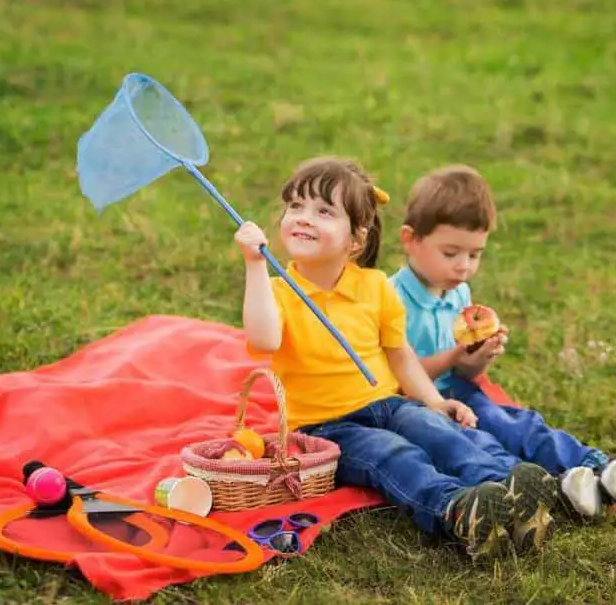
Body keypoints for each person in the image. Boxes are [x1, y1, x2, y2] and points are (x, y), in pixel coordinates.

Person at [234, 157, 560, 558]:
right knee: (392, 453)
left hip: (387, 403)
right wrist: (254, 266)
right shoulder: (278, 291)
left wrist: (435, 401)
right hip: (327, 427)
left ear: (356, 238)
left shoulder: (374, 287)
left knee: (434, 431)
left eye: (323, 211)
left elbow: (401, 355)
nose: (303, 218)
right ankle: (456, 509)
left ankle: (508, 492)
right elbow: (264, 340)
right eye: (295, 206)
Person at [389, 164, 616, 519]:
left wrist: (479, 356)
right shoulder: (391, 297)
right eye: (451, 253)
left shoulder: (459, 292)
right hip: (417, 404)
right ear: (410, 240)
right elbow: (396, 373)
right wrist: (454, 356)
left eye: (475, 255)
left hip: (458, 390)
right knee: (477, 439)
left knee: (516, 423)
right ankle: (542, 489)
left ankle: (597, 467)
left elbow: (467, 374)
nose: (464, 267)